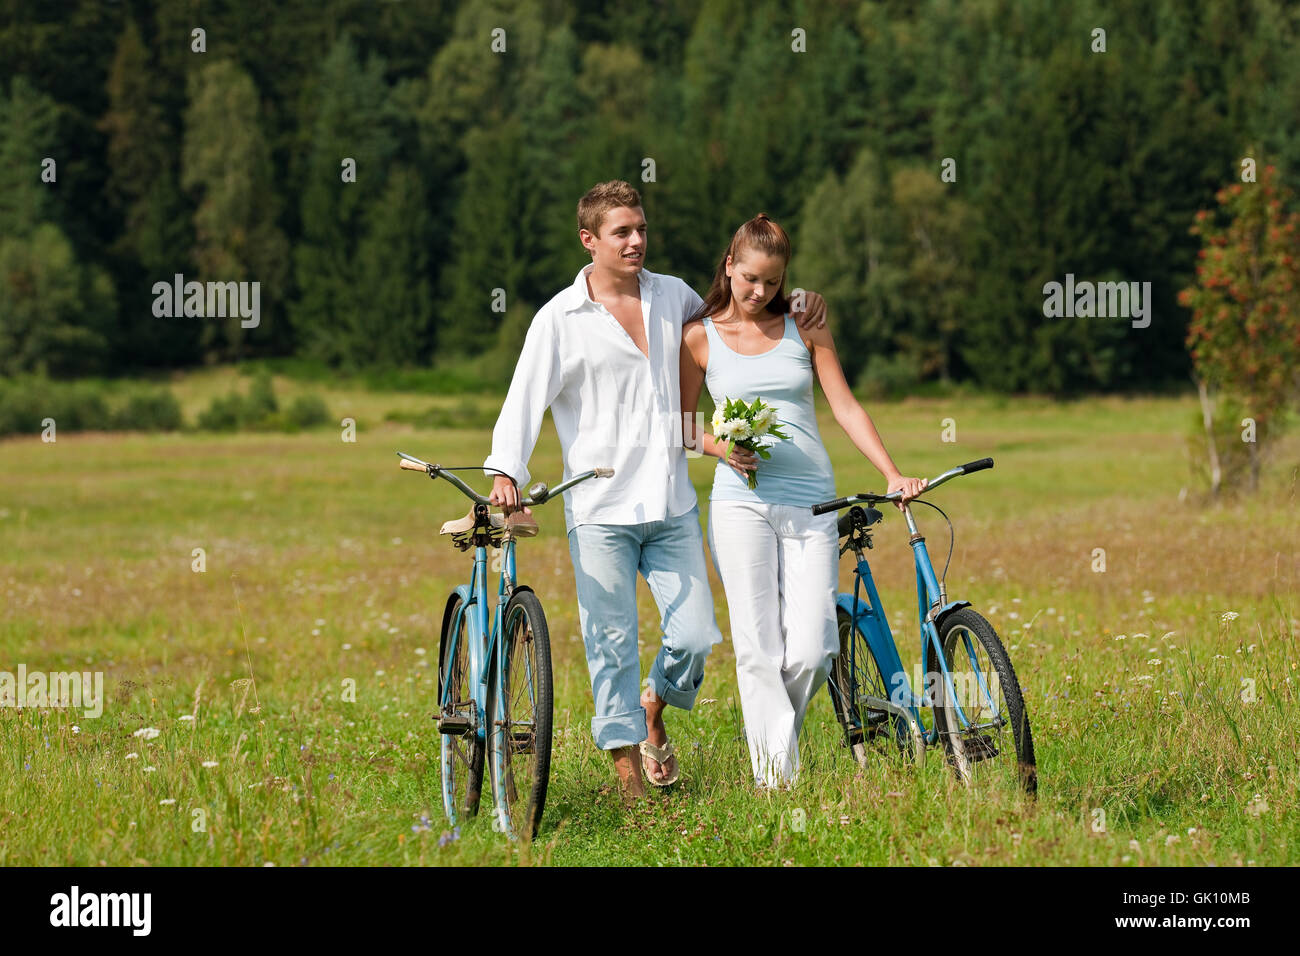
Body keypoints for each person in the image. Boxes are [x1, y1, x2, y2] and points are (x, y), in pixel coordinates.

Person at [484, 183, 827, 800]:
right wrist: (505, 470)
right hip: (598, 508)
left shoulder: (675, 296)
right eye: (622, 232)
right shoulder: (558, 320)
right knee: (610, 643)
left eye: (640, 228)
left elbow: (734, 319)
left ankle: (653, 710)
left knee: (696, 637)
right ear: (589, 241)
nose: (637, 240)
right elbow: (524, 399)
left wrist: (797, 304)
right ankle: (629, 786)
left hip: (671, 503)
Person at [679, 213, 926, 789]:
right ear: (729, 266)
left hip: (813, 499)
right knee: (756, 648)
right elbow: (683, 424)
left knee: (814, 650)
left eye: (771, 281)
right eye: (749, 279)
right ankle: (777, 784)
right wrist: (722, 448)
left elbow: (843, 404)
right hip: (740, 505)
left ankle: (775, 743)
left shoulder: (804, 322)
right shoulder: (699, 336)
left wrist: (890, 472)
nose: (759, 292)